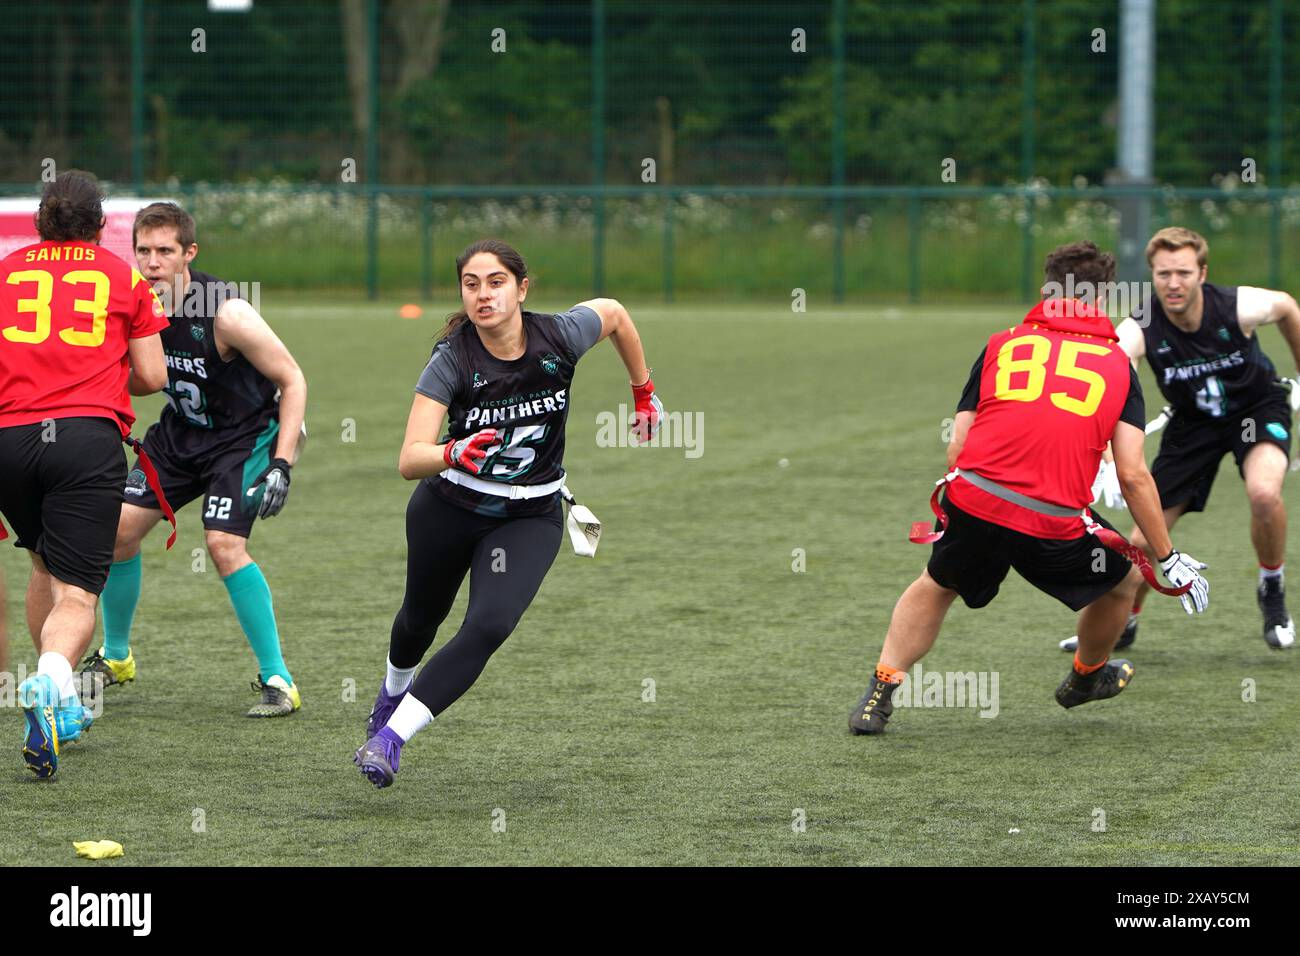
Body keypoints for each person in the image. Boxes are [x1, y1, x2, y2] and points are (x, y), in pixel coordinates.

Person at [849, 241, 1210, 735]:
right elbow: (1132, 474)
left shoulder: (1003, 342)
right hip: (1051, 523)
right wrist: (1166, 556)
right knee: (1122, 582)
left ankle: (878, 696)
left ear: (1046, 290)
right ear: (1103, 299)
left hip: (973, 499)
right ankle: (1086, 678)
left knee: (937, 583)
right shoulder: (1118, 364)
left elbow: (958, 448)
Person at [354, 238, 664, 788]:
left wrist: (643, 392)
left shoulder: (560, 335)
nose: (483, 295)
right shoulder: (452, 359)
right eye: (471, 284)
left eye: (496, 282)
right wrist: (452, 451)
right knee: (418, 621)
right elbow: (409, 458)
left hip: (528, 515)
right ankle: (391, 689)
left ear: (522, 289)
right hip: (449, 506)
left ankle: (390, 739)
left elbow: (614, 313)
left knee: (489, 624)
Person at [79, 201, 309, 716]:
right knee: (117, 531)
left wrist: (283, 462)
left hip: (243, 437)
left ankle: (279, 678)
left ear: (189, 254)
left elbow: (292, 379)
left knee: (223, 544)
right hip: (180, 436)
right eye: (144, 251)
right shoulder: (134, 304)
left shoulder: (227, 312)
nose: (153, 262)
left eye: (165, 251)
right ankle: (116, 658)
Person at [0, 170, 169, 777]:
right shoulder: (123, 277)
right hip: (83, 440)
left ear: (39, 223)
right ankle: (49, 684)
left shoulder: (6, 270)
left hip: (9, 440)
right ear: (102, 227)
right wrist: (88, 376)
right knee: (79, 592)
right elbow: (151, 378)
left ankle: (65, 703)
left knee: (43, 562)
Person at [1061, 227, 1300, 652]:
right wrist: (1108, 457)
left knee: (1264, 494)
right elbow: (1115, 367)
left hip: (1257, 409)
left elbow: (1287, 306)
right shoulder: (1141, 324)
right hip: (1192, 426)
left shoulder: (1237, 306)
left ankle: (1272, 587)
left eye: (1184, 273)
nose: (1174, 283)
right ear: (1152, 275)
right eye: (1164, 273)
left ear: (1202, 273)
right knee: (1142, 540)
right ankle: (1125, 620)